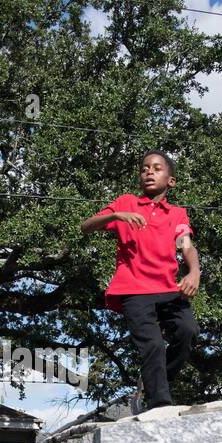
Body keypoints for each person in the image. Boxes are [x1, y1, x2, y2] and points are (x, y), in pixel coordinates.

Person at [81, 151, 200, 412]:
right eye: (145, 168)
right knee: (154, 345)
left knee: (188, 330)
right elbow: (86, 226)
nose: (149, 172)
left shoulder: (177, 214)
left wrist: (194, 272)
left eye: (157, 168)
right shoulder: (126, 202)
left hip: (169, 288)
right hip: (134, 290)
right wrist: (115, 216)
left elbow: (186, 244)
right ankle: (159, 404)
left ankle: (156, 382)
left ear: (171, 181)